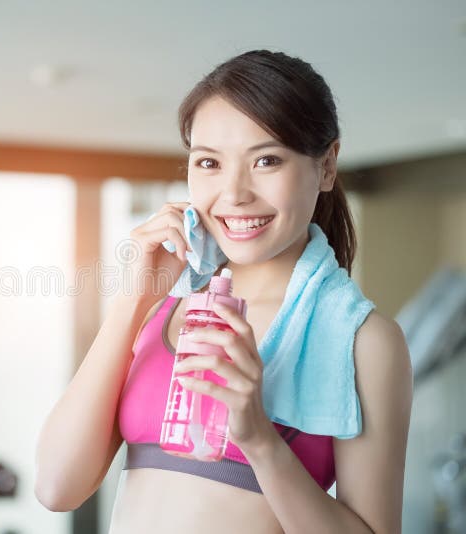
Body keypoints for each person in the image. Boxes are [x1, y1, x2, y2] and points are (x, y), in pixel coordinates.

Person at [34, 49, 413, 533]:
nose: (234, 194)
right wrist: (135, 300)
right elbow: (55, 486)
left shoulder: (362, 342)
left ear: (326, 166)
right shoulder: (159, 314)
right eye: (209, 162)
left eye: (267, 160)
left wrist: (259, 439)